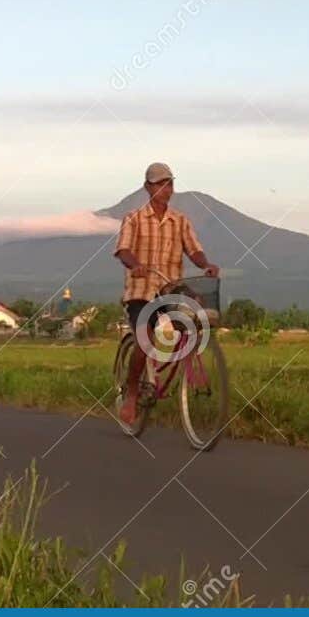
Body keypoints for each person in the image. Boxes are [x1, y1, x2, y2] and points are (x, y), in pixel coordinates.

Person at [113, 162, 219, 425]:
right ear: (148, 187)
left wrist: (205, 265)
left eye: (169, 183)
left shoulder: (180, 221)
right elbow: (123, 250)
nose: (165, 188)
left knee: (197, 320)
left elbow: (194, 250)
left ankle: (184, 373)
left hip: (171, 288)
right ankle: (132, 393)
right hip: (142, 289)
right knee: (145, 338)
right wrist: (135, 265)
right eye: (159, 183)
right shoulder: (133, 218)